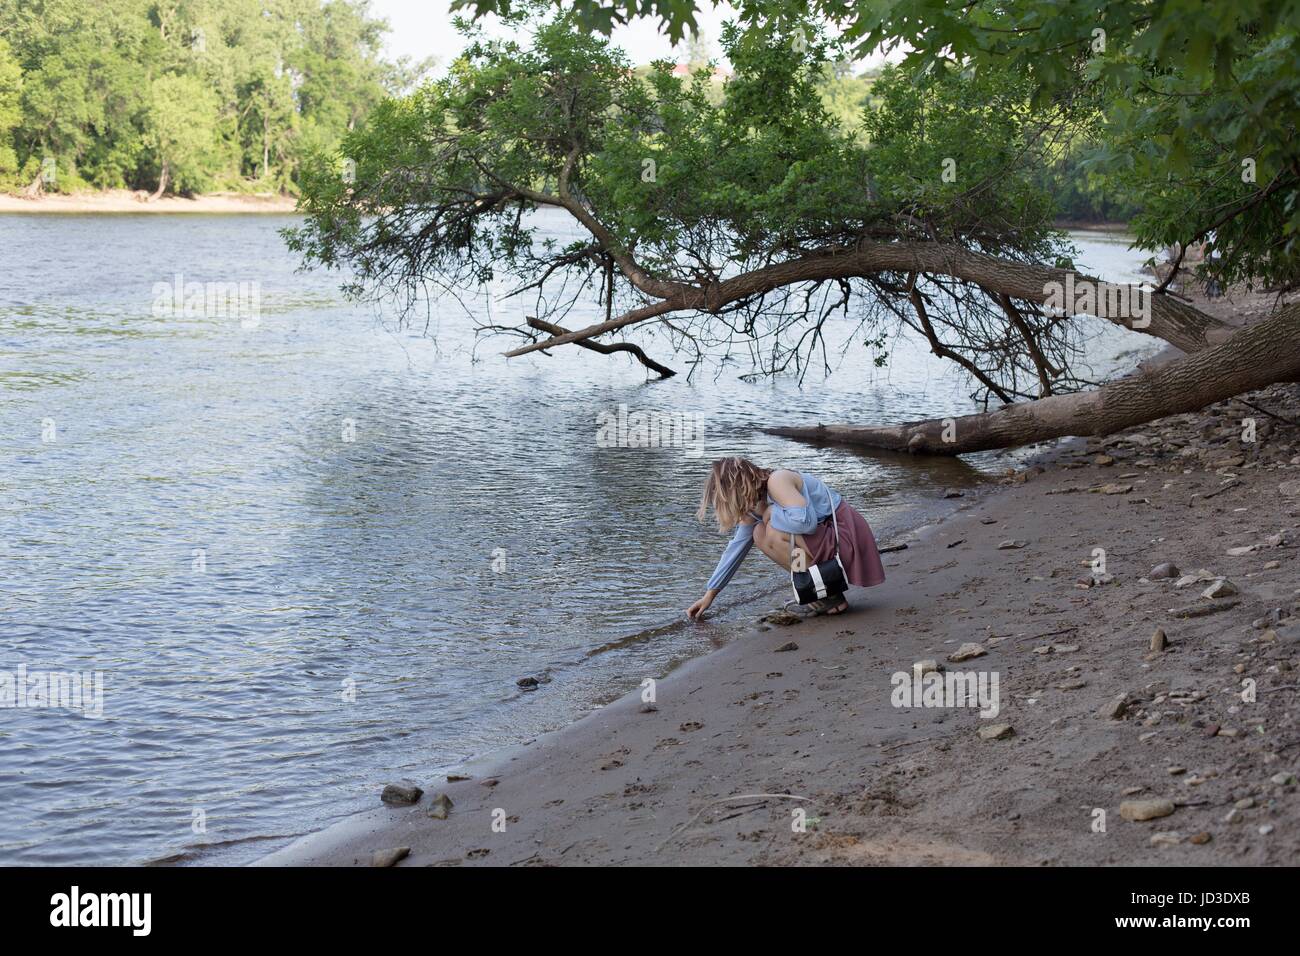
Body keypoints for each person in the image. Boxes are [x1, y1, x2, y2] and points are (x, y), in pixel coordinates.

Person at [687, 456, 885, 620]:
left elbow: (806, 523)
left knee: (772, 530)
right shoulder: (755, 505)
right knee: (759, 534)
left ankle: (826, 595)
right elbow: (735, 550)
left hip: (845, 536)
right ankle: (820, 592)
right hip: (825, 540)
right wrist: (709, 595)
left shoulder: (777, 480)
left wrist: (771, 512)